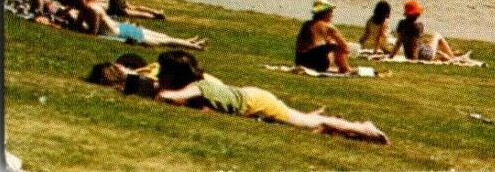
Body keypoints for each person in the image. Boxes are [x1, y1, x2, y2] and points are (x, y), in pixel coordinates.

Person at [143, 49, 386, 143]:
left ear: (177, 74)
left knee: (310, 122)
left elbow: (169, 99)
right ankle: (346, 130)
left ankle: (364, 128)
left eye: (165, 72)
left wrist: (155, 90)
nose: (161, 76)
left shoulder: (197, 86)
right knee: (303, 123)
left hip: (256, 101)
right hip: (252, 98)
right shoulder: (201, 83)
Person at [394, 0, 464, 62]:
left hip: (408, 55)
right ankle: (452, 57)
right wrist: (414, 59)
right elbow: (415, 44)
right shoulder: (418, 26)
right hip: (422, 54)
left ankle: (443, 56)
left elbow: (399, 42)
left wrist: (391, 56)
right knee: (437, 35)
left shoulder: (401, 24)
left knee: (428, 46)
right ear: (417, 14)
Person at [296, 0, 352, 73]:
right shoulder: (328, 26)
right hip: (316, 63)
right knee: (338, 47)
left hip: (300, 61)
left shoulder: (306, 24)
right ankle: (345, 69)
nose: (332, 15)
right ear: (326, 13)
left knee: (330, 45)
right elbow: (345, 47)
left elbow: (313, 43)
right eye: (331, 12)